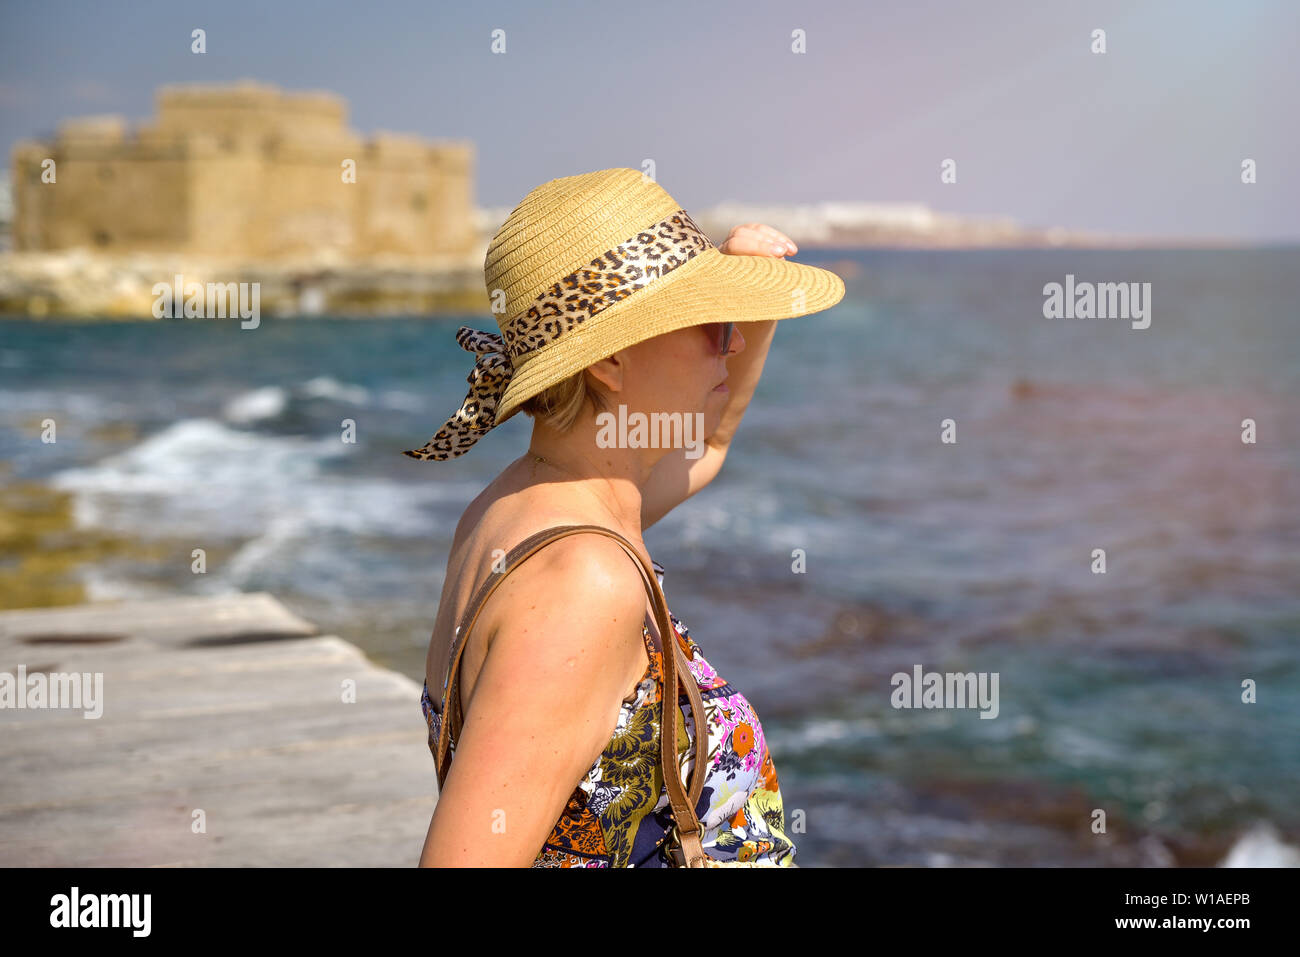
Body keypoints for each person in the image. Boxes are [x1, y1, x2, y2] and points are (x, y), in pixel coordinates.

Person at [408, 167, 845, 866]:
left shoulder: (524, 502)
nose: (726, 343)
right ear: (610, 360)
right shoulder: (582, 582)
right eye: (705, 324)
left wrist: (747, 302)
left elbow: (711, 444)